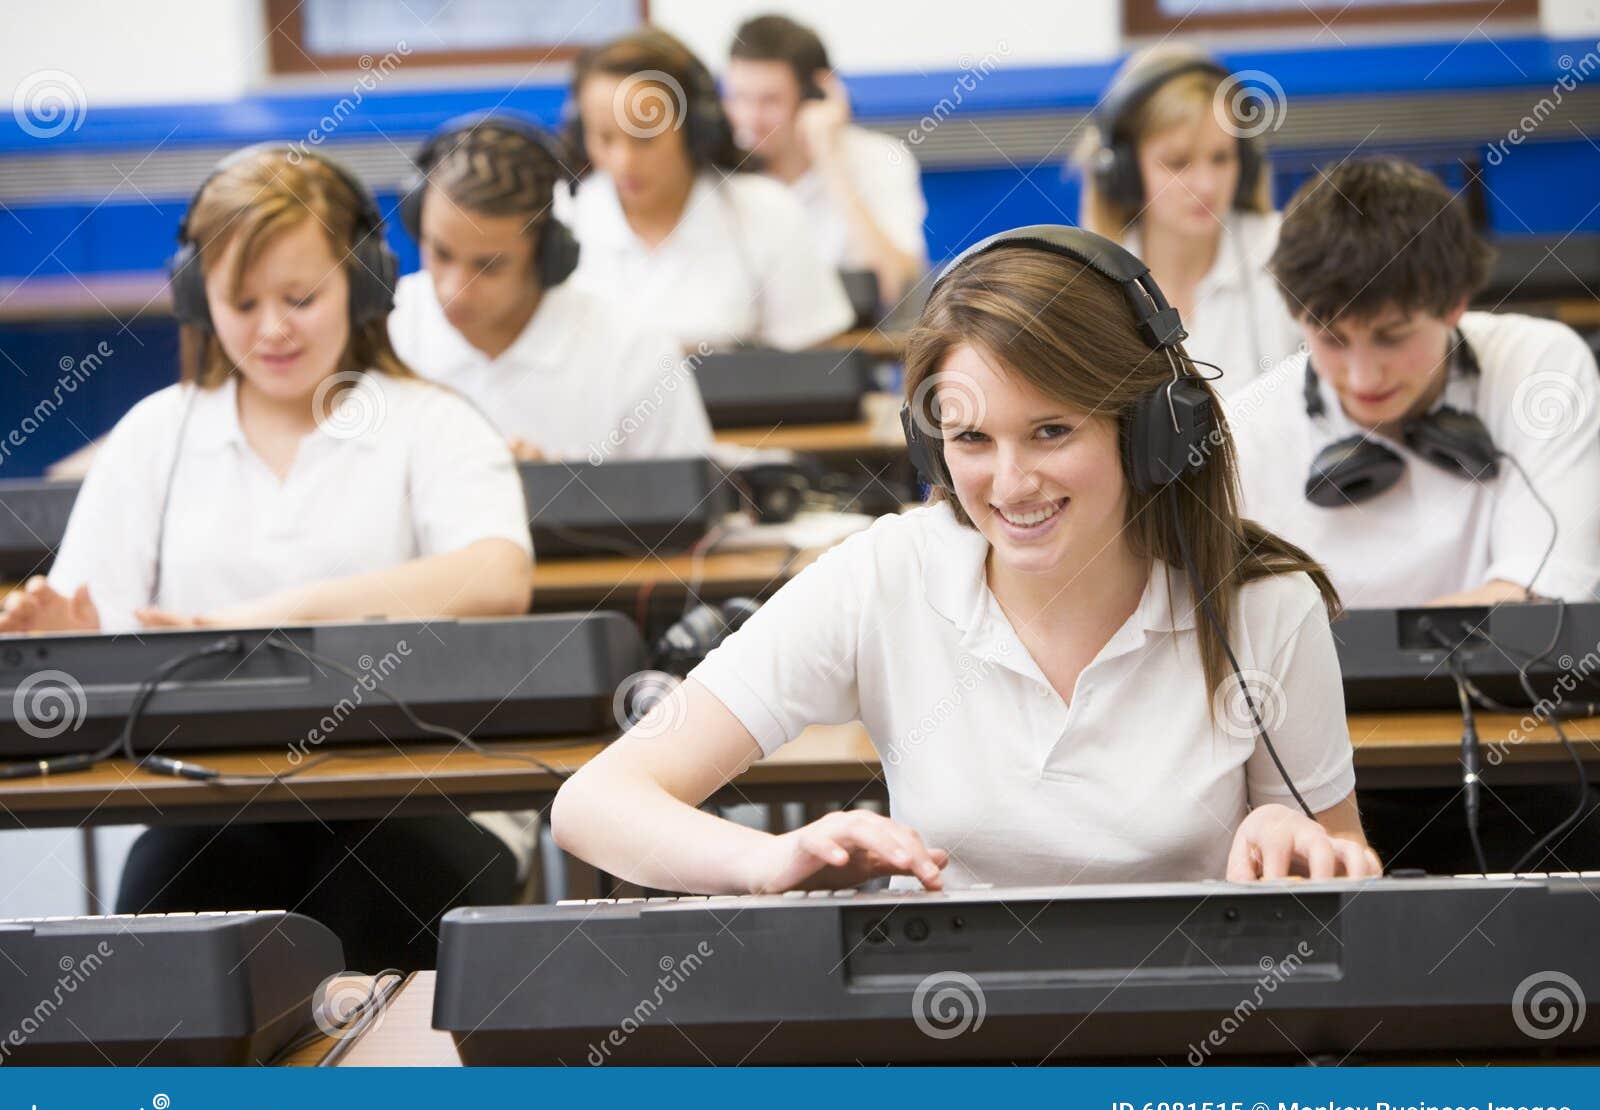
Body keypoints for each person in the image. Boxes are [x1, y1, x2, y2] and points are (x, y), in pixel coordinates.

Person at [552, 225, 1380, 894]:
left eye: (1052, 430)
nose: (1011, 484)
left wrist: (1299, 841)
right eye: (972, 439)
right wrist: (767, 859)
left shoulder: (1265, 608)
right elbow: (595, 802)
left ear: (1152, 430)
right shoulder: (886, 574)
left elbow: (1342, 873)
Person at [0, 146, 535, 969]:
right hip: (212, 792)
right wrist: (69, 635)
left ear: (359, 282)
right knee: (168, 915)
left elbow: (499, 573)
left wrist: (260, 617)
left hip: (424, 791)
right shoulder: (157, 433)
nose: (273, 328)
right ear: (196, 297)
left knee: (379, 897)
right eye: (240, 302)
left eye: (300, 296)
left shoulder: (431, 420)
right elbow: (89, 624)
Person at [1226, 156, 1600, 610]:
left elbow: (1546, 598)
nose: (1364, 377)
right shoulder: (1245, 432)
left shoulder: (1540, 369)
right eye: (1332, 340)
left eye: (1392, 337)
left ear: (1454, 304)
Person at [390, 113, 713, 463]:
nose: (454, 290)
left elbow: (690, 509)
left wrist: (561, 496)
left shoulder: (634, 355)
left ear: (547, 256)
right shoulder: (381, 330)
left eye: (489, 267)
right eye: (440, 253)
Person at [559, 28, 855, 351]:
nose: (623, 162)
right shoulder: (563, 215)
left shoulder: (765, 210)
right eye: (604, 138)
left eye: (644, 138)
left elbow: (816, 363)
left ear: (695, 129)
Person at [1076, 46, 1300, 393]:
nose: (1206, 186)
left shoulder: (1290, 253)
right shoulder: (1090, 283)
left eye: (1222, 158)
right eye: (1178, 163)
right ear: (1123, 171)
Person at [723, 13, 927, 308]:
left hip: (854, 349)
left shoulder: (879, 159)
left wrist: (829, 157)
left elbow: (888, 285)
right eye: (739, 98)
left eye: (770, 101)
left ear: (813, 95)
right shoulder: (722, 169)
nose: (750, 119)